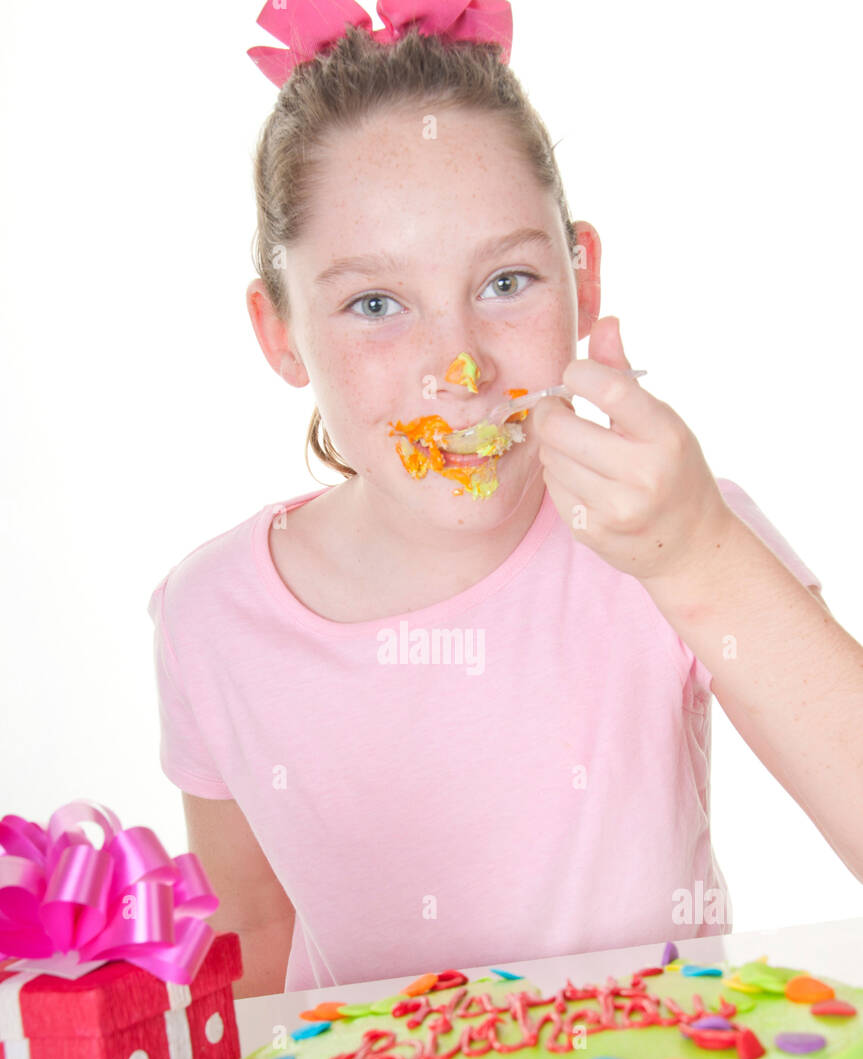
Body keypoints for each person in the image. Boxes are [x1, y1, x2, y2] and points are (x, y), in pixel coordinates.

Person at [149, 0, 862, 999]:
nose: (458, 365)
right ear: (278, 333)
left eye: (506, 281)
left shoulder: (672, 537)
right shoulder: (208, 616)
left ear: (582, 277)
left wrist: (697, 555)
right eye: (373, 304)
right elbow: (254, 935)